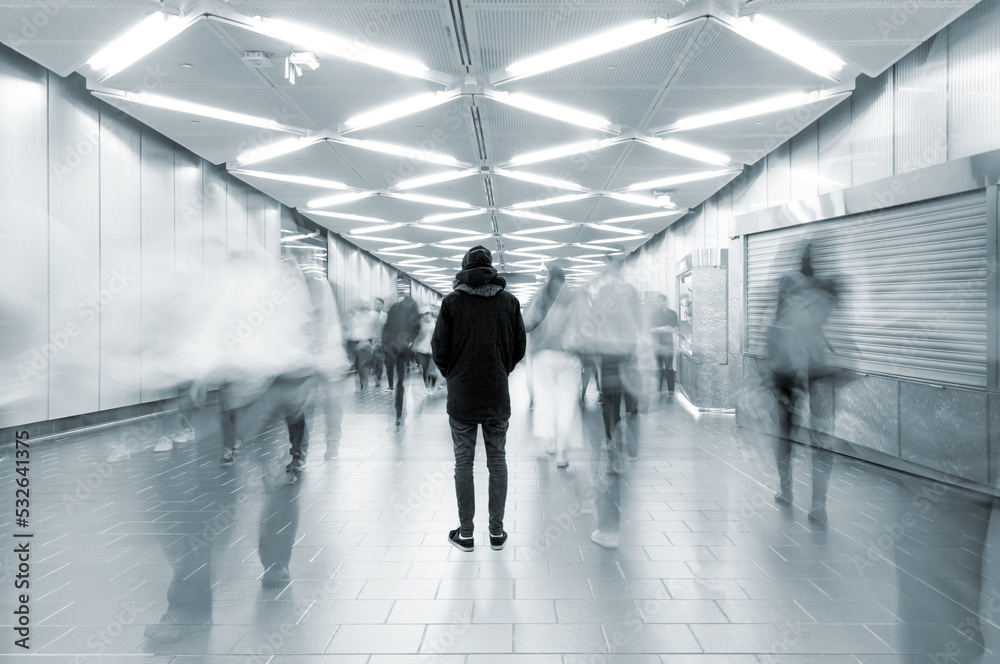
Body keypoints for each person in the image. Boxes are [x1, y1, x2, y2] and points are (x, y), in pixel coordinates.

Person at [432, 245, 526, 553]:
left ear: (463, 269)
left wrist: (454, 375)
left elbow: (439, 349)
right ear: (491, 270)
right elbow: (519, 348)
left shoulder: (452, 303)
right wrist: (501, 368)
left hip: (461, 397)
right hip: (497, 394)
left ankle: (467, 534)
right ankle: (497, 533)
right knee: (497, 460)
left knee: (464, 462)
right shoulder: (509, 302)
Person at [766, 242, 839, 523]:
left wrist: (770, 364)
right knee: (821, 436)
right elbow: (834, 324)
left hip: (788, 368)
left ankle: (786, 491)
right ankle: (818, 506)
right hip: (818, 367)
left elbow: (776, 323)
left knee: (785, 432)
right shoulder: (829, 287)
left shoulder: (788, 282)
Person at [523, 267, 583, 468]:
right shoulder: (574, 298)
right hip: (569, 354)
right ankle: (562, 453)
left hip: (543, 354)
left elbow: (527, 323)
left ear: (548, 278)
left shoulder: (541, 295)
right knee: (566, 403)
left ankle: (549, 441)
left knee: (546, 399)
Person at [592, 258, 643, 475]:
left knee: (611, 401)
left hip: (610, 353)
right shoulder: (630, 291)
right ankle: (622, 443)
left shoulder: (605, 292)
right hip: (624, 352)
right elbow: (637, 322)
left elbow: (596, 322)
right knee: (623, 400)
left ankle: (612, 439)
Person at [382, 295, 421, 425]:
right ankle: (398, 409)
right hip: (396, 346)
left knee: (400, 377)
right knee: (398, 376)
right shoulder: (398, 308)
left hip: (400, 348)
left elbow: (416, 328)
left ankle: (398, 410)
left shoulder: (399, 308)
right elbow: (387, 327)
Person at [649, 295, 679, 394]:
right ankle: (659, 389)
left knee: (669, 366)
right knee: (658, 367)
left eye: (662, 302)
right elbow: (649, 329)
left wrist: (669, 329)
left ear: (666, 302)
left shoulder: (672, 314)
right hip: (657, 345)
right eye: (658, 302)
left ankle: (671, 390)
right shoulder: (653, 314)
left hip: (668, 344)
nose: (660, 304)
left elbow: (676, 329)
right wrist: (661, 329)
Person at [344, 300, 376, 391]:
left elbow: (371, 329)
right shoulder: (351, 315)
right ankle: (361, 378)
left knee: (361, 363)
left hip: (364, 342)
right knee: (357, 363)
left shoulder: (370, 316)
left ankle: (362, 381)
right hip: (353, 342)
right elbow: (347, 328)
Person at [412, 306, 437, 391]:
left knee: (432, 369)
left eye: (428, 314)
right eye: (425, 314)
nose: (427, 316)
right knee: (425, 368)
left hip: (433, 350)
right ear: (422, 315)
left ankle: (433, 386)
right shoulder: (419, 324)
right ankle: (427, 386)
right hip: (421, 350)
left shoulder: (435, 322)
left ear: (431, 314)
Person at [370, 297, 387, 388]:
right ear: (374, 304)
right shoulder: (370, 315)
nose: (378, 305)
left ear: (382, 305)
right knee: (374, 360)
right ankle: (375, 376)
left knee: (380, 361)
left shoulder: (385, 316)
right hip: (371, 341)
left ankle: (378, 377)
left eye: (380, 304)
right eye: (377, 304)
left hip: (382, 342)